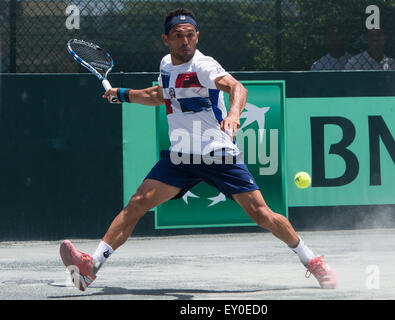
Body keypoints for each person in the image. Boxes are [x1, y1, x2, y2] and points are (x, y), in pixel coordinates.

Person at [59, 8, 337, 291]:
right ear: (166, 39)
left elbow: (236, 87)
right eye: (178, 36)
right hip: (181, 157)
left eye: (190, 36)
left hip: (217, 154)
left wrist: (233, 115)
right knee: (137, 203)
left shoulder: (204, 66)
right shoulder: (166, 64)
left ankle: (312, 260)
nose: (185, 42)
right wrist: (123, 95)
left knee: (261, 214)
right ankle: (90, 267)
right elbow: (160, 94)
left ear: (197, 36)